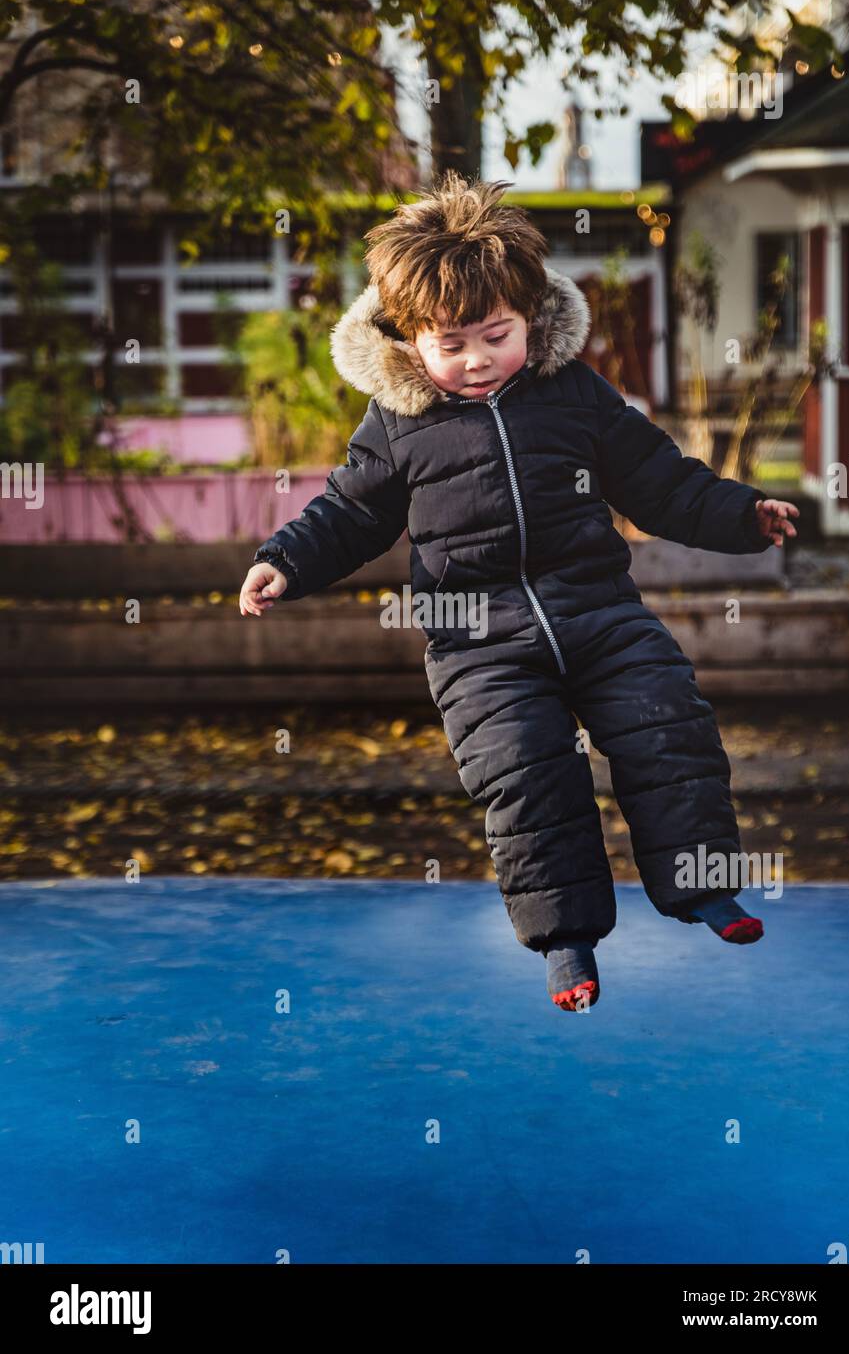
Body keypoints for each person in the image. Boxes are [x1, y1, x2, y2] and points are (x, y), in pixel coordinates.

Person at [240, 171, 799, 1013]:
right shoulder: (396, 424)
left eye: (493, 336)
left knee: (669, 725)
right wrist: (286, 559)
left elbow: (656, 480)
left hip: (600, 616)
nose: (473, 361)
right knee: (528, 777)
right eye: (450, 343)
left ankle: (699, 888)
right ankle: (565, 939)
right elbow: (349, 513)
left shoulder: (571, 393)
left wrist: (743, 514)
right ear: (406, 338)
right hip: (478, 645)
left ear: (528, 318)